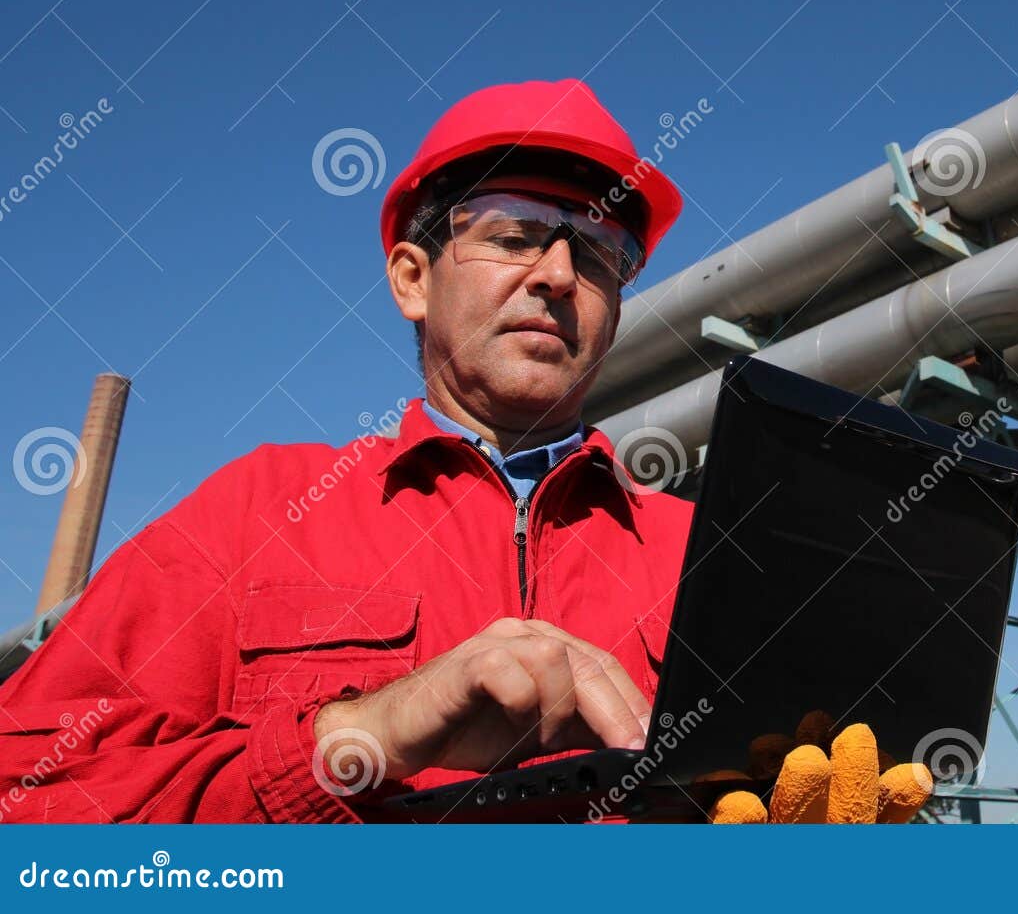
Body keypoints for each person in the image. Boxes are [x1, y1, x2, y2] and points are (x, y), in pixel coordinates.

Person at [0, 79, 696, 822]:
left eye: (597, 251)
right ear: (412, 279)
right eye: (515, 233)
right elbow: (28, 795)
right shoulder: (256, 512)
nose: (559, 274)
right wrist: (354, 737)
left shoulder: (699, 547)